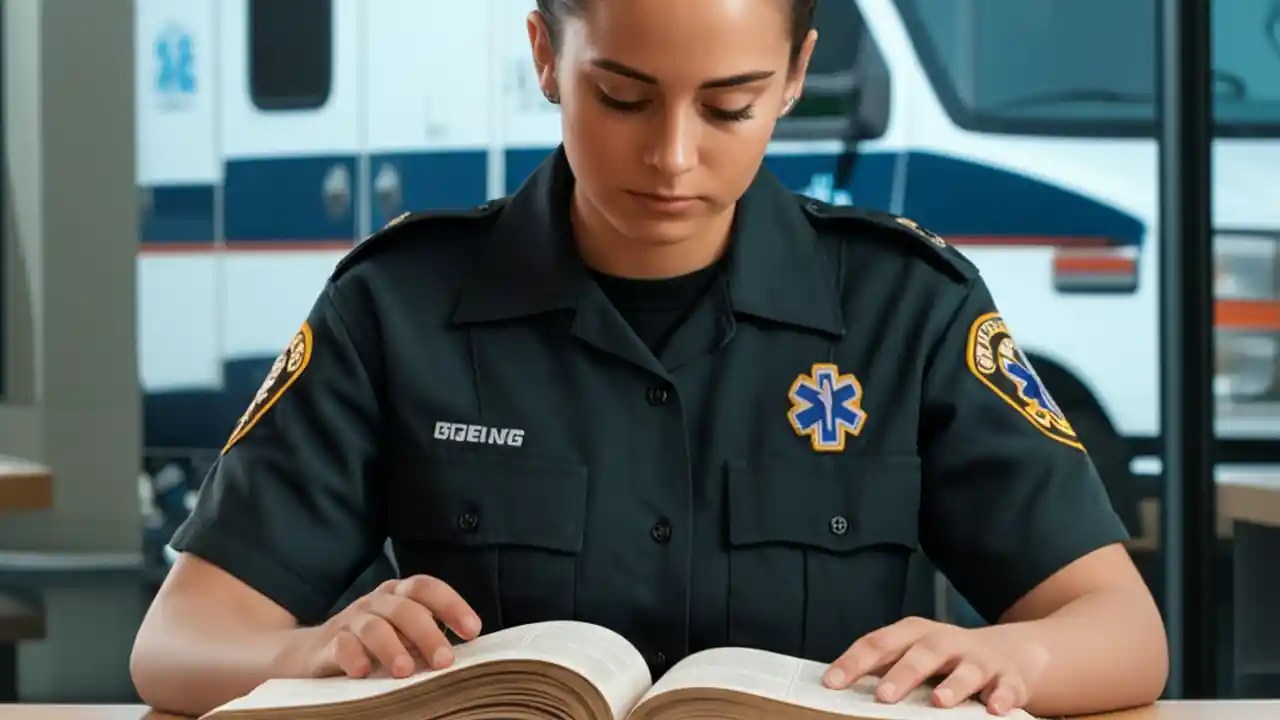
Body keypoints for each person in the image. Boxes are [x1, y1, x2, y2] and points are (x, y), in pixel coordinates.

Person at [129, 0, 1169, 716]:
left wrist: (1008, 653)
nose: (672, 156)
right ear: (544, 54)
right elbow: (175, 644)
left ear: (797, 75)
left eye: (729, 105)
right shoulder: (396, 307)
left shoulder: (905, 309)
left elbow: (1123, 633)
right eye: (622, 97)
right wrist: (303, 655)